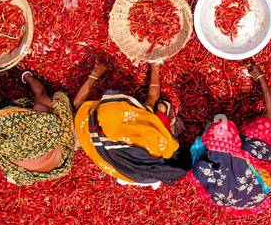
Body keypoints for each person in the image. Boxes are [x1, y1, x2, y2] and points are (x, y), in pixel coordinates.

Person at [73, 57, 189, 187]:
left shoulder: (159, 141)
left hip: (101, 119)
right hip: (94, 137)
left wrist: (155, 66)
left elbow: (152, 98)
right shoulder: (150, 176)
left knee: (161, 107)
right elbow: (76, 104)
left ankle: (116, 111)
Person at [185, 60, 271, 213]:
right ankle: (221, 137)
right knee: (264, 133)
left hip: (231, 198)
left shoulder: (201, 167)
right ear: (235, 138)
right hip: (257, 193)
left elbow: (195, 178)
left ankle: (212, 140)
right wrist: (260, 77)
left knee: (199, 155)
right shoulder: (249, 144)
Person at [0, 69, 74, 185]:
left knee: (41, 97)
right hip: (49, 151)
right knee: (44, 97)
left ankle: (26, 76)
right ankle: (26, 77)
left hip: (49, 154)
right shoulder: (45, 125)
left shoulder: (3, 139)